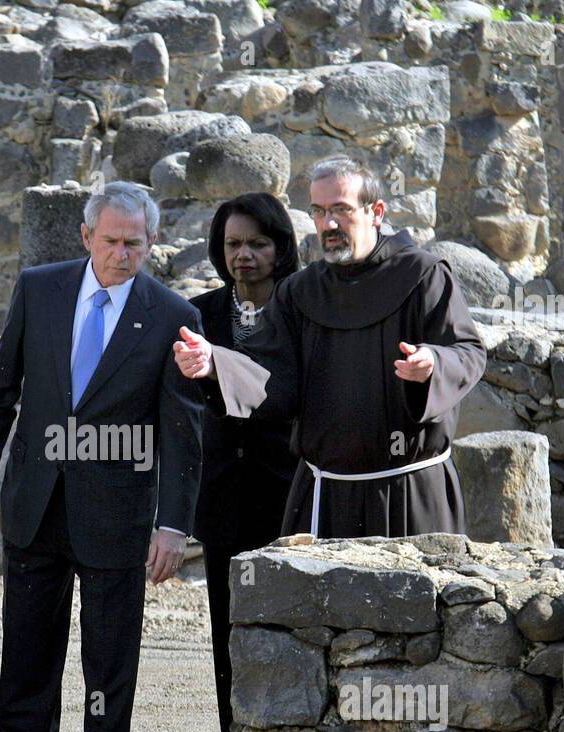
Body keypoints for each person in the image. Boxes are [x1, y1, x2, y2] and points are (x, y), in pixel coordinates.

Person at [0, 182, 204, 732]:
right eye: (112, 241)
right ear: (85, 235)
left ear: (151, 243)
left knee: (109, 666)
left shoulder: (171, 314)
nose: (123, 254)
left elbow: (184, 433)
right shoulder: (39, 289)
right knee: (27, 657)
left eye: (136, 243)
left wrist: (172, 525)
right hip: (35, 504)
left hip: (117, 515)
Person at [174, 155, 486, 539]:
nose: (329, 224)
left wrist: (433, 364)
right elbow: (269, 372)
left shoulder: (422, 275)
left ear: (376, 212)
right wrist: (215, 364)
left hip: (407, 491)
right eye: (319, 212)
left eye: (340, 209)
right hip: (324, 491)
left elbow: (468, 351)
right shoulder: (301, 291)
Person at [189, 193, 300, 732]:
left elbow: (286, 395)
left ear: (279, 246)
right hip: (224, 501)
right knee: (228, 634)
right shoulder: (201, 314)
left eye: (256, 243)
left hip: (289, 499)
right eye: (233, 244)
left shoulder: (301, 312)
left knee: (286, 633)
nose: (244, 255)